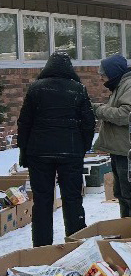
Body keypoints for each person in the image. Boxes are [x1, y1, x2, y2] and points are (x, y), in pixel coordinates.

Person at [17, 51, 95, 246]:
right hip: (70, 151)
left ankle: (41, 247)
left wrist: (24, 150)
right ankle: (75, 243)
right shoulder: (78, 89)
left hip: (39, 152)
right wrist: (83, 147)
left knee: (42, 201)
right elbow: (89, 122)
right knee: (72, 199)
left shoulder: (36, 88)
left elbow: (24, 122)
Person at [93, 54, 131, 219]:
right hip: (122, 149)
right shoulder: (123, 84)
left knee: (130, 196)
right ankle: (126, 225)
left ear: (113, 73)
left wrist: (98, 110)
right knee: (122, 194)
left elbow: (127, 114)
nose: (101, 79)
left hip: (129, 151)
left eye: (104, 75)